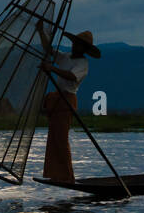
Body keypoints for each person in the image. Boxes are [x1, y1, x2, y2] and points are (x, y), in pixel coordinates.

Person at [35, 25, 101, 182]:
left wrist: (52, 68)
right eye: (75, 43)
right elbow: (49, 50)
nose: (75, 46)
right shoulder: (66, 57)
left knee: (61, 139)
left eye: (79, 45)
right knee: (54, 139)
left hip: (67, 100)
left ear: (84, 49)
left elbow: (71, 76)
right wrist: (40, 31)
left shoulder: (83, 64)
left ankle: (67, 176)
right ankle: (55, 174)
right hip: (58, 99)